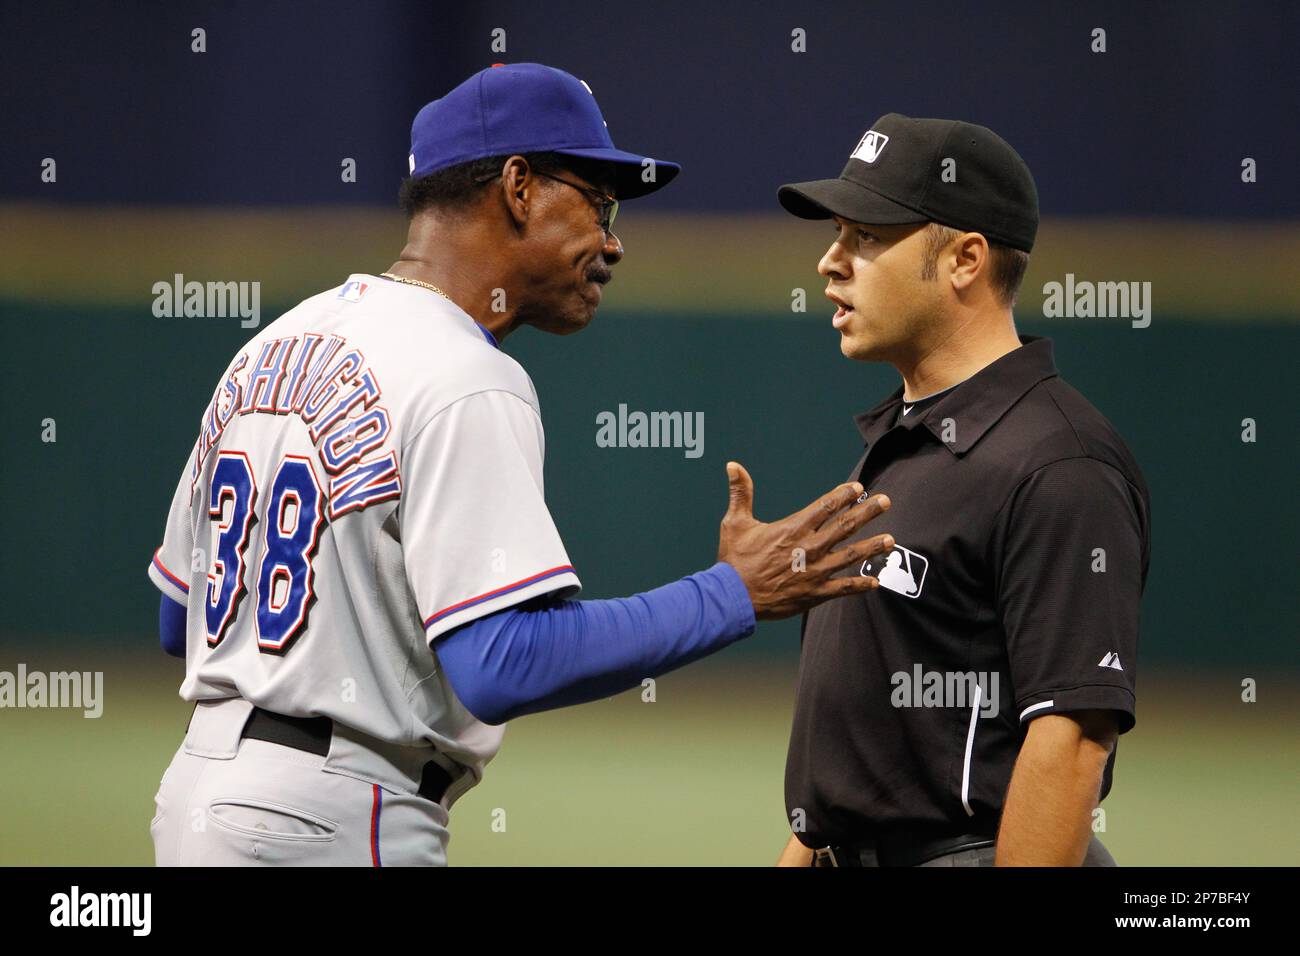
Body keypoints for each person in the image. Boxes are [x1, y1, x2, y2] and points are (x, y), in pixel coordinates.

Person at [146, 63, 894, 866]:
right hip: (329, 819)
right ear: (518, 186)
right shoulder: (465, 373)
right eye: (599, 202)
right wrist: (731, 594)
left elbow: (175, 619)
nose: (613, 241)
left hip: (197, 798)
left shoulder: (272, 346)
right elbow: (502, 662)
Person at [773, 113, 1151, 866]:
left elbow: (1071, 741)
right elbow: (848, 778)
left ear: (966, 260)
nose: (830, 262)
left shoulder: (1058, 463)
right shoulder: (901, 449)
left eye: (866, 236)